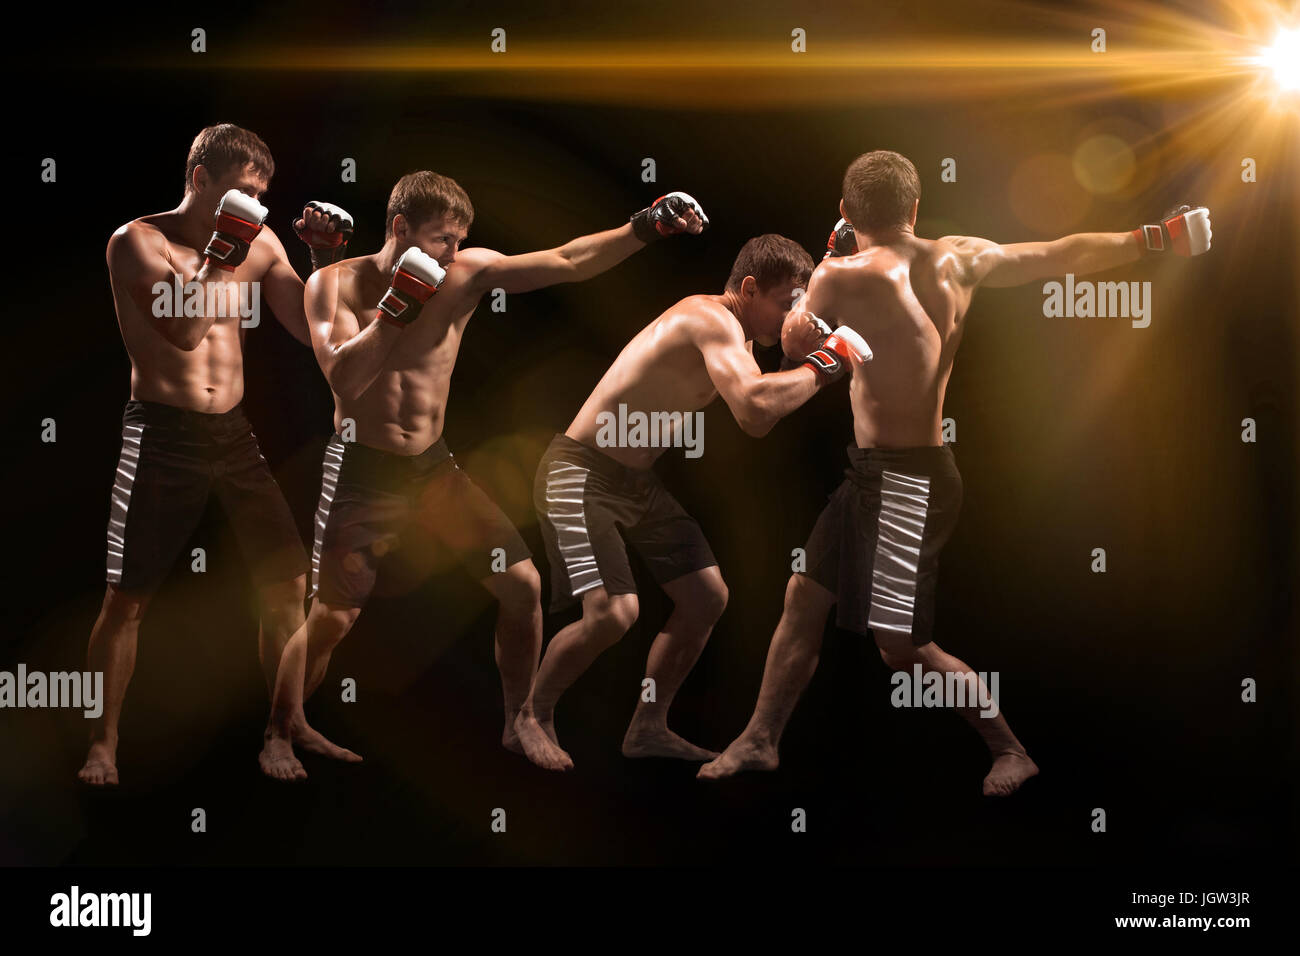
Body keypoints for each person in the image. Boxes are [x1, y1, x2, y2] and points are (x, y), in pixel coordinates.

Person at [701, 149, 1211, 795]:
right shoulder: (963, 256)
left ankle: (1009, 749)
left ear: (847, 212)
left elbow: (789, 359)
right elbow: (1065, 252)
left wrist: (823, 270)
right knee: (803, 596)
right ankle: (759, 741)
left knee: (900, 648)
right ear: (915, 208)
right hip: (886, 475)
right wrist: (1158, 235)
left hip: (905, 481)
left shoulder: (839, 274)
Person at [258, 175, 709, 781]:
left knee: (521, 586)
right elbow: (344, 380)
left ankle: (519, 719)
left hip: (431, 467)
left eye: (458, 240)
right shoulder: (331, 284)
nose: (451, 252)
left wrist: (644, 225)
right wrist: (398, 307)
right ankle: (278, 733)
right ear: (400, 228)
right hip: (363, 471)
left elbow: (567, 261)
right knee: (333, 619)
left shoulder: (465, 273)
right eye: (442, 240)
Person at [516, 235, 869, 770]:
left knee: (707, 597)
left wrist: (814, 359)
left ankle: (648, 726)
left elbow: (754, 421)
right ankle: (531, 716)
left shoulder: (742, 345)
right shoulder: (710, 320)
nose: (793, 314)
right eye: (787, 301)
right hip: (578, 472)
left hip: (634, 483)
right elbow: (755, 404)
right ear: (749, 288)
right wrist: (826, 362)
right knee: (613, 612)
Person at [81, 123, 353, 786]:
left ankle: (283, 729)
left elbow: (317, 334)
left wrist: (321, 263)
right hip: (162, 434)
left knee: (288, 587)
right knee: (128, 600)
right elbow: (183, 328)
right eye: (241, 191)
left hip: (231, 434)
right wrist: (227, 249)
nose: (253, 207)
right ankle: (103, 744)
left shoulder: (256, 246)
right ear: (200, 179)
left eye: (261, 195)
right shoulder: (136, 242)